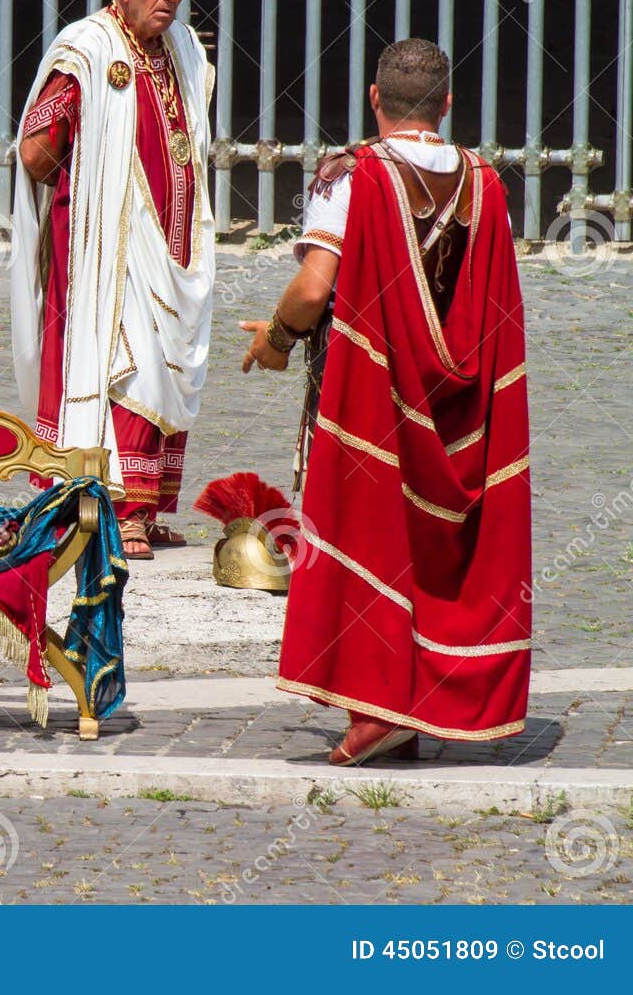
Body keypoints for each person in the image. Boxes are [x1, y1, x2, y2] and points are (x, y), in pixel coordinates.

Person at [241, 38, 531, 765]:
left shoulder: (353, 176)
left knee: (372, 535)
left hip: (374, 386)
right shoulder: (484, 184)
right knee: (436, 548)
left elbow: (314, 287)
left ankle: (377, 705)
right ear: (448, 104)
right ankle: (416, 700)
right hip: (459, 401)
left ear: (376, 99)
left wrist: (276, 338)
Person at [11, 0, 216, 560]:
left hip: (176, 244)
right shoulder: (88, 48)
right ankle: (114, 507)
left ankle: (145, 506)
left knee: (166, 365)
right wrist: (94, 186)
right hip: (109, 246)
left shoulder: (182, 47)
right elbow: (35, 150)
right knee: (128, 366)